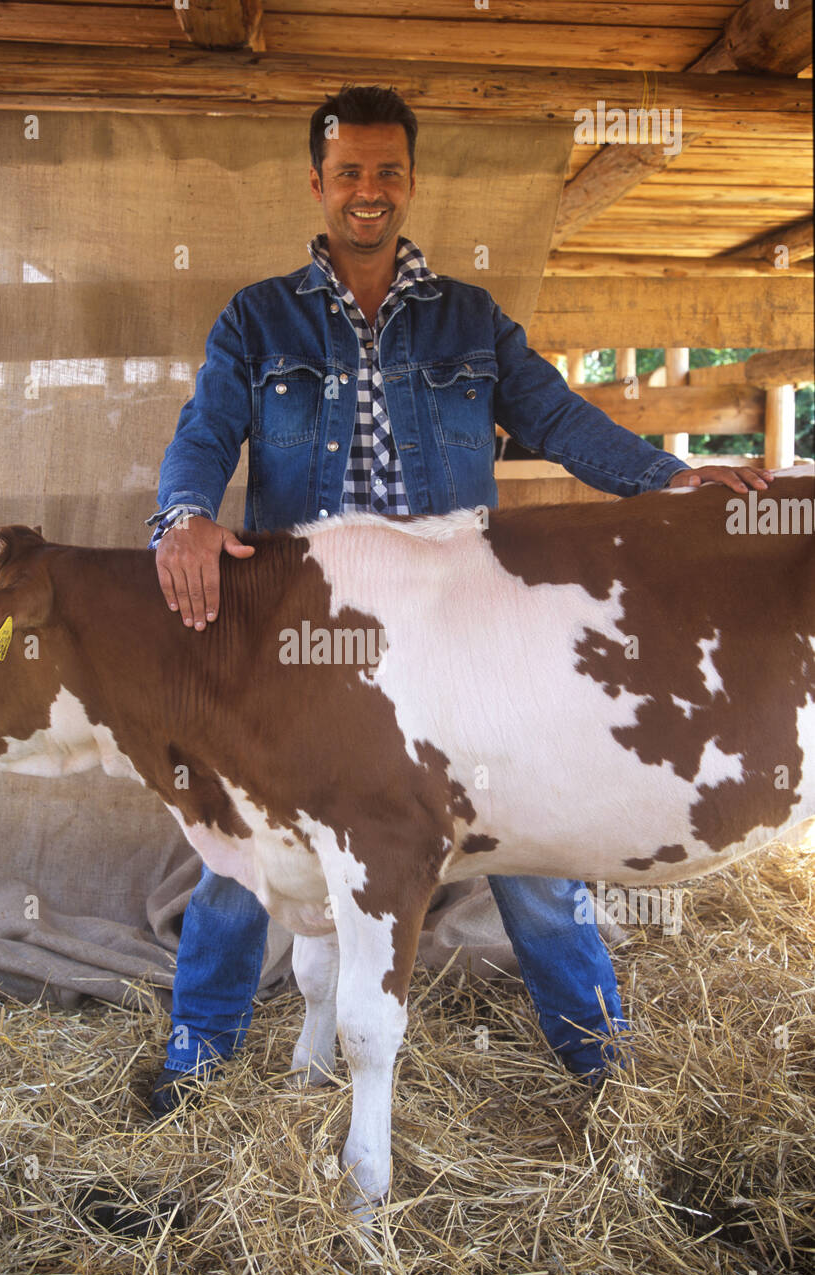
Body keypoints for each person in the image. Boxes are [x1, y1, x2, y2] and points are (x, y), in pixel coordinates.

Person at [147, 84, 772, 1117]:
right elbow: (206, 430)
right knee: (245, 849)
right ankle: (194, 1060)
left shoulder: (468, 320)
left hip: (460, 640)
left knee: (533, 842)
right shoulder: (258, 318)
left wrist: (668, 476)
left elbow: (559, 419)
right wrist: (182, 512)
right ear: (317, 181)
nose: (368, 190)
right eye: (348, 170)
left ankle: (600, 1065)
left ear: (408, 182)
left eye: (387, 170)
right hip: (313, 640)